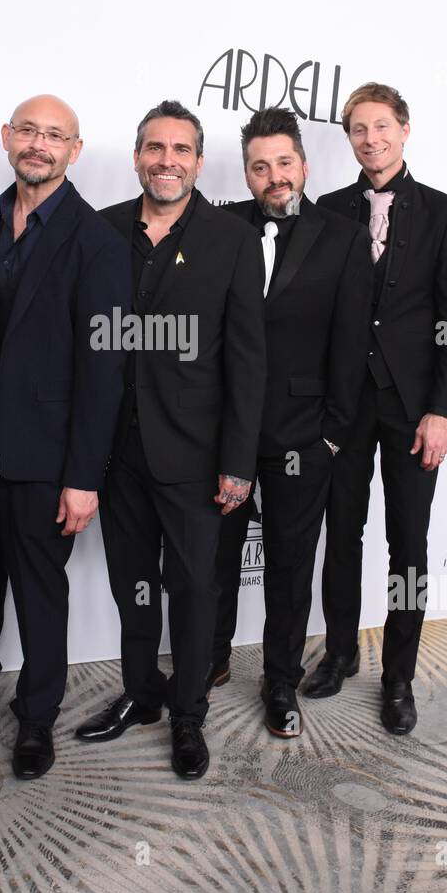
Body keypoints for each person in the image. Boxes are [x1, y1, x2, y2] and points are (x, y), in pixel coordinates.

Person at [75, 99, 266, 779]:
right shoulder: (100, 230)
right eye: (155, 148)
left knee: (192, 591)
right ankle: (142, 694)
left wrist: (238, 463)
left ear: (199, 163)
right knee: (132, 586)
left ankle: (188, 714)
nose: (167, 161)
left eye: (181, 150)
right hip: (117, 453)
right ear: (137, 157)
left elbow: (247, 360)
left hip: (195, 457)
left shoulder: (233, 240)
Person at [0, 94, 131, 781]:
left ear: (75, 150)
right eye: (29, 131)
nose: (39, 144)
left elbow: (104, 373)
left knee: (39, 592)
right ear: (8, 138)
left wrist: (84, 477)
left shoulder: (98, 242)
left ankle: (36, 718)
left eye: (54, 136)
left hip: (45, 455)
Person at [307, 83, 447, 734]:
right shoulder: (327, 210)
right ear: (348, 138)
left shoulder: (443, 213)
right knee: (341, 536)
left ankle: (399, 675)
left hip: (412, 411)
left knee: (408, 546)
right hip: (344, 408)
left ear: (404, 129)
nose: (370, 139)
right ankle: (340, 652)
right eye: (358, 129)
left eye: (381, 126)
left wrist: (442, 410)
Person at [210, 107, 372, 736]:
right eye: (260, 166)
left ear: (302, 166)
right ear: (246, 174)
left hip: (303, 433)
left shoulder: (343, 237)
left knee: (290, 565)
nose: (274, 176)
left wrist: (331, 434)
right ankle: (211, 659)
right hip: (225, 431)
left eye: (283, 162)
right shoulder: (221, 226)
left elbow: (351, 343)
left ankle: (280, 681)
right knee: (215, 557)